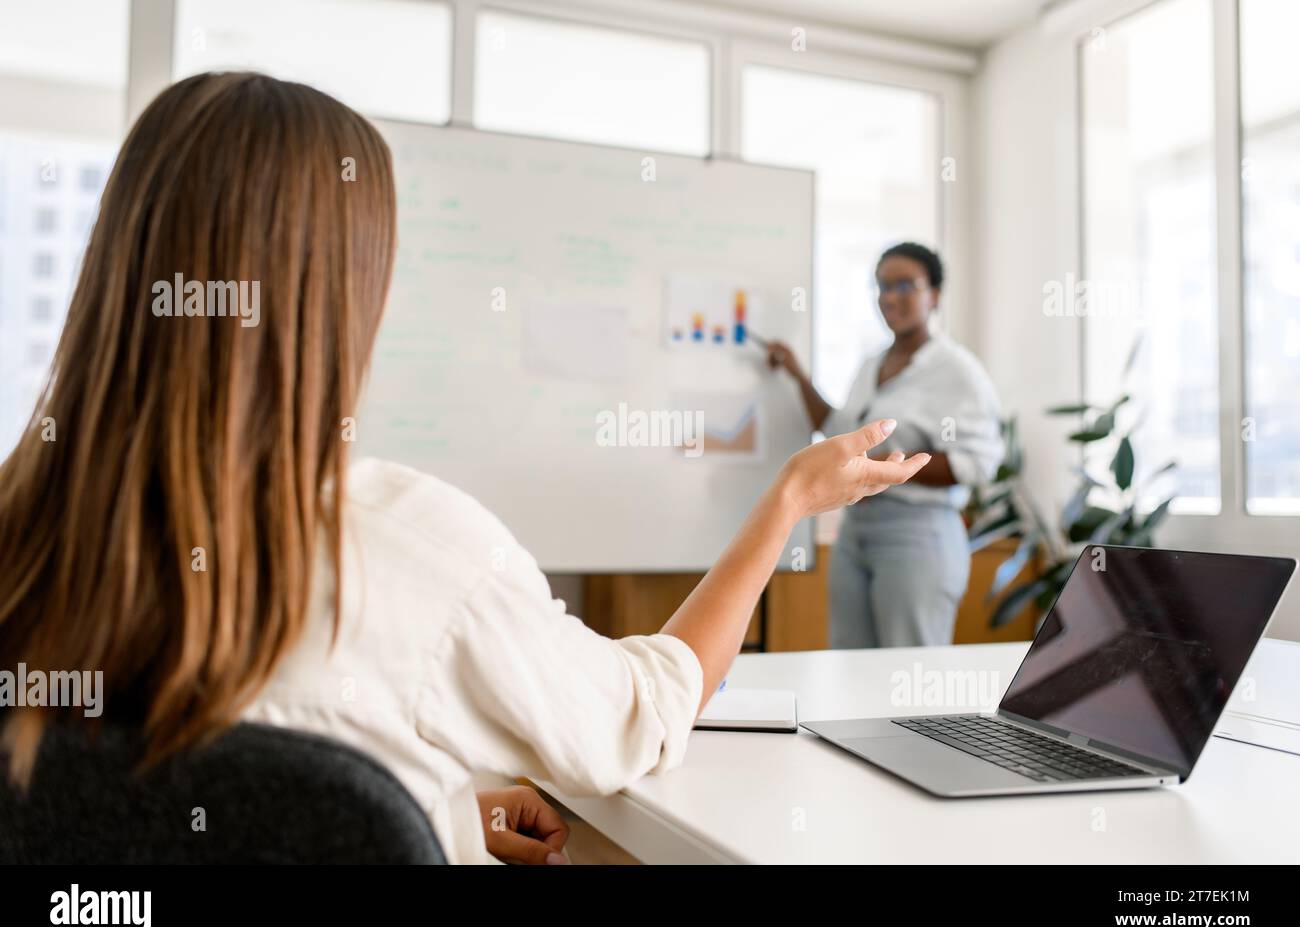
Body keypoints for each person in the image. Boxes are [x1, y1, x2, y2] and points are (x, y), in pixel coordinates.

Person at [0, 73, 930, 865]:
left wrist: (421, 812)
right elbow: (644, 716)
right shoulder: (410, 551)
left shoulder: (23, 532)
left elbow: (165, 799)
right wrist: (791, 501)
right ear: (342, 295)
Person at [766, 242, 1003, 650]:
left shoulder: (957, 371)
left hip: (917, 533)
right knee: (849, 665)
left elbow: (978, 463)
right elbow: (840, 429)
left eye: (904, 285)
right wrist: (798, 377)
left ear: (935, 294)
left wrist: (883, 468)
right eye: (881, 286)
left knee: (910, 675)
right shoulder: (871, 364)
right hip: (856, 532)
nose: (890, 297)